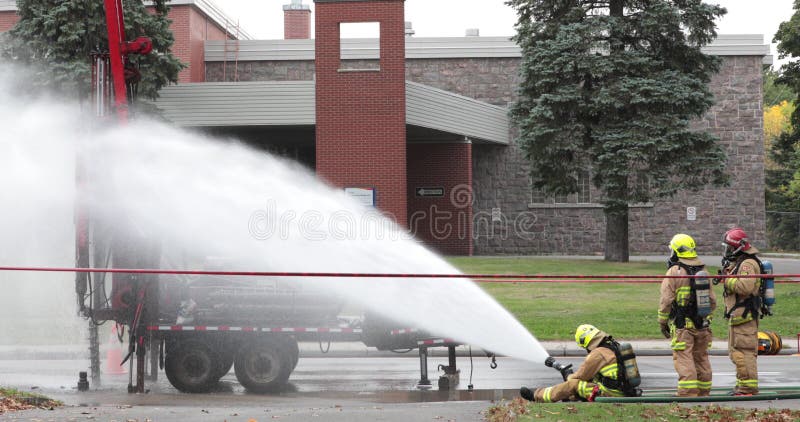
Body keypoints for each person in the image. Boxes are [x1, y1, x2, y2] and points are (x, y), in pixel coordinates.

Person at [658, 233, 716, 397]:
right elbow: (712, 300)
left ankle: (688, 393)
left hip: (683, 326)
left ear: (676, 252)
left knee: (684, 358)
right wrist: (707, 319)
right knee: (701, 358)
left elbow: (666, 300)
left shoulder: (674, 271)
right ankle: (704, 391)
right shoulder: (703, 270)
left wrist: (663, 321)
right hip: (703, 325)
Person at [519, 324, 627, 402]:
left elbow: (581, 375)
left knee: (572, 385)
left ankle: (536, 396)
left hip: (611, 393)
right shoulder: (613, 346)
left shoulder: (598, 354)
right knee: (579, 387)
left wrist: (569, 376)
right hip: (622, 390)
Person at [719, 227, 761, 395]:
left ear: (737, 247)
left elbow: (745, 286)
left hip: (745, 316)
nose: (727, 251)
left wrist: (726, 280)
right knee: (737, 353)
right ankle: (742, 386)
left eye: (729, 247)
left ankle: (748, 388)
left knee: (745, 353)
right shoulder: (740, 262)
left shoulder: (748, 264)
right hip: (739, 317)